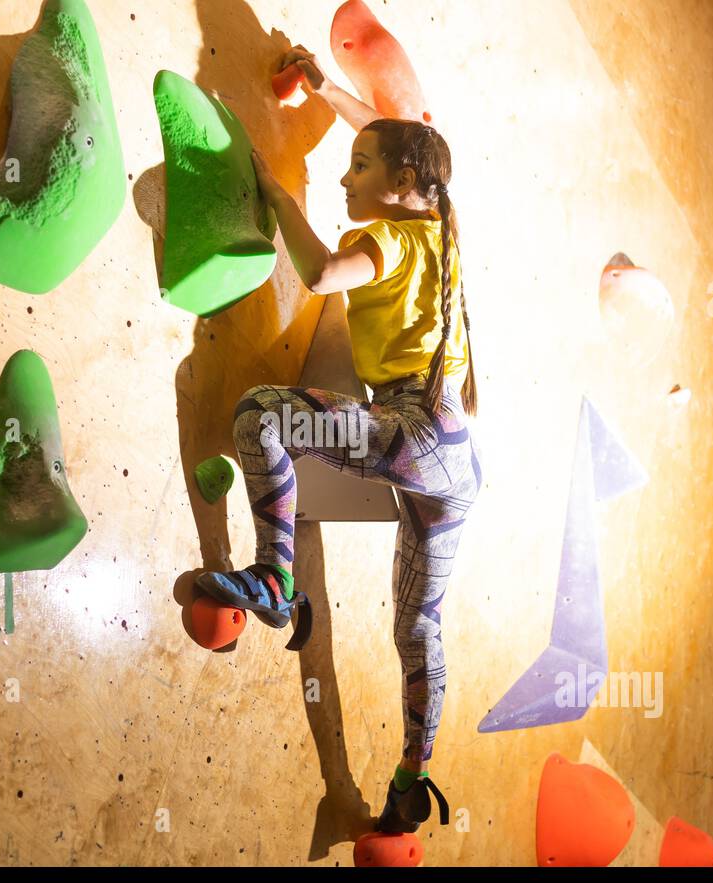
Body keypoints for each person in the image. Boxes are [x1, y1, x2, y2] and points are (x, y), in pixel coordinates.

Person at [195, 46, 481, 834]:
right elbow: (395, 143)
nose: (347, 180)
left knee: (259, 414)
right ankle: (410, 781)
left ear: (398, 189)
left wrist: (276, 191)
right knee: (418, 629)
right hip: (456, 467)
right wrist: (326, 92)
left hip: (415, 435)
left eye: (359, 168)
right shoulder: (440, 220)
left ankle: (275, 580)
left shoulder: (389, 243)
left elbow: (321, 273)